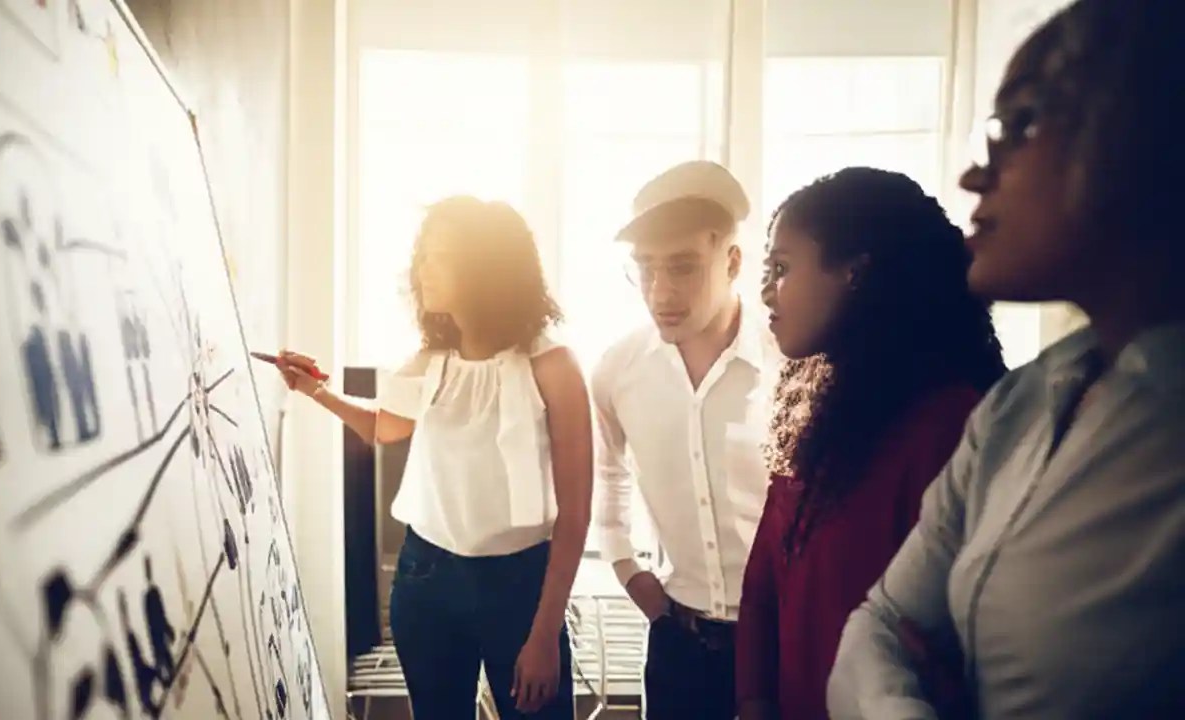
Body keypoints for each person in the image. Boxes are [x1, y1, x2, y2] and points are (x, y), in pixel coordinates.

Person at [827, 2, 1185, 718]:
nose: (972, 175)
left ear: (1143, 129)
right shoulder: (1016, 406)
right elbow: (873, 630)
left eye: (1019, 125)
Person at [277, 196, 592, 720]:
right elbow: (382, 426)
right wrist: (315, 390)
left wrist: (544, 634)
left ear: (484, 266)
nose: (421, 268)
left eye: (438, 254)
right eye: (423, 253)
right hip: (427, 579)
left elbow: (576, 513)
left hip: (521, 585)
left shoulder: (553, 365)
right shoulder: (430, 362)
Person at [735, 168, 1006, 720]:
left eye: (781, 269)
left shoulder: (949, 424)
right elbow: (765, 575)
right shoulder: (818, 407)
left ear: (854, 274)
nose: (765, 291)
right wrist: (755, 700)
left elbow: (948, 640)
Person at [592, 160, 766, 720]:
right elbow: (605, 473)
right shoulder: (618, 369)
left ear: (732, 260)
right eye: (645, 268)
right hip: (678, 641)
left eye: (684, 267)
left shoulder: (793, 361)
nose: (660, 291)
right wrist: (626, 566)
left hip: (782, 641)